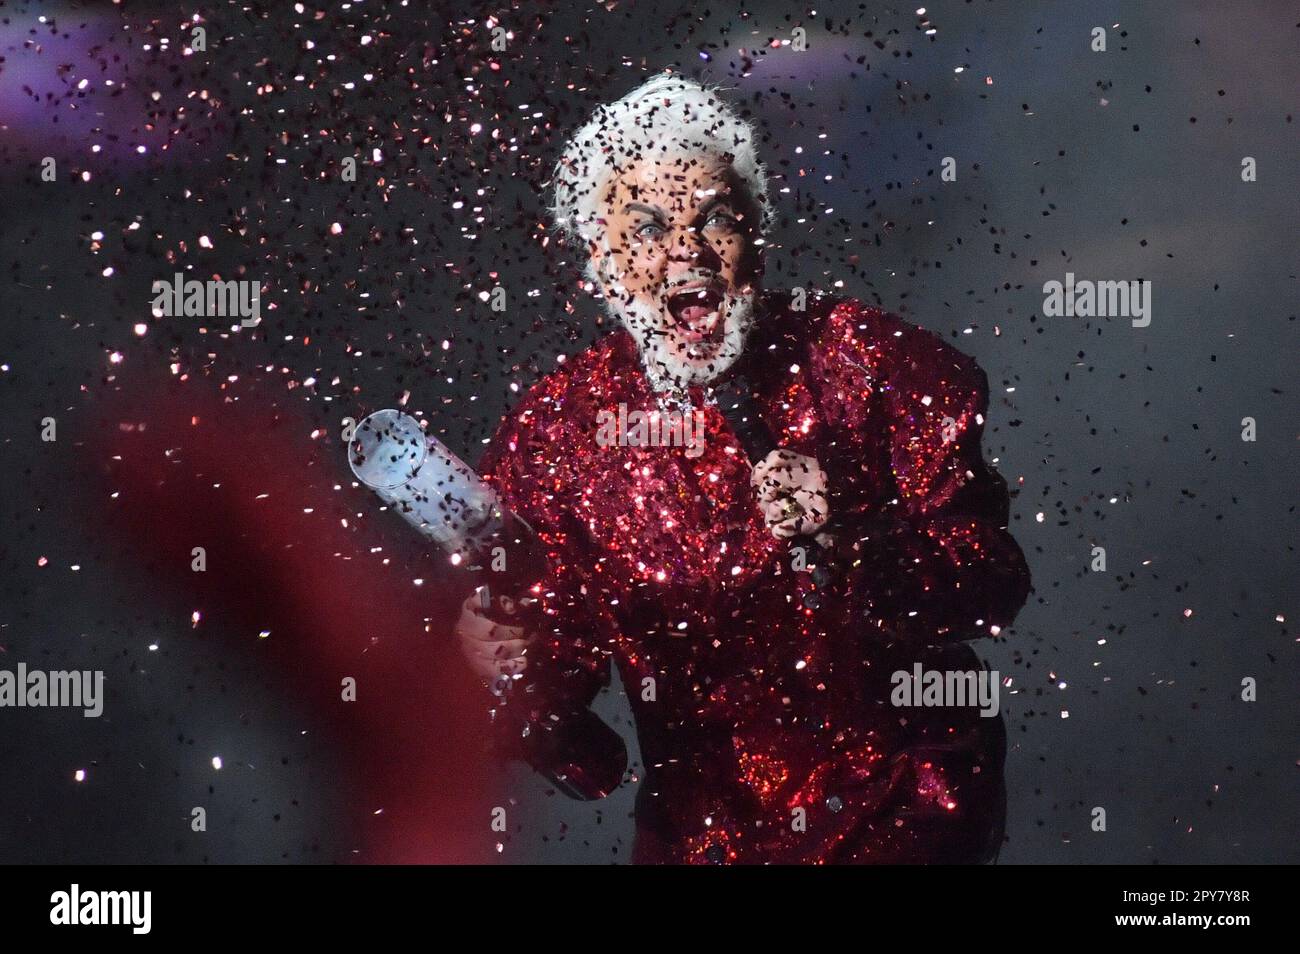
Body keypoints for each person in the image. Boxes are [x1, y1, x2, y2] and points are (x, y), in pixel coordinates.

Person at [455, 74, 1030, 863]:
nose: (686, 250)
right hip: (700, 838)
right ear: (602, 261)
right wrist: (509, 676)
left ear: (756, 236)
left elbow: (994, 582)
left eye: (716, 218)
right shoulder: (556, 432)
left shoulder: (864, 363)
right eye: (650, 228)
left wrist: (855, 536)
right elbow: (585, 745)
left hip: (903, 806)